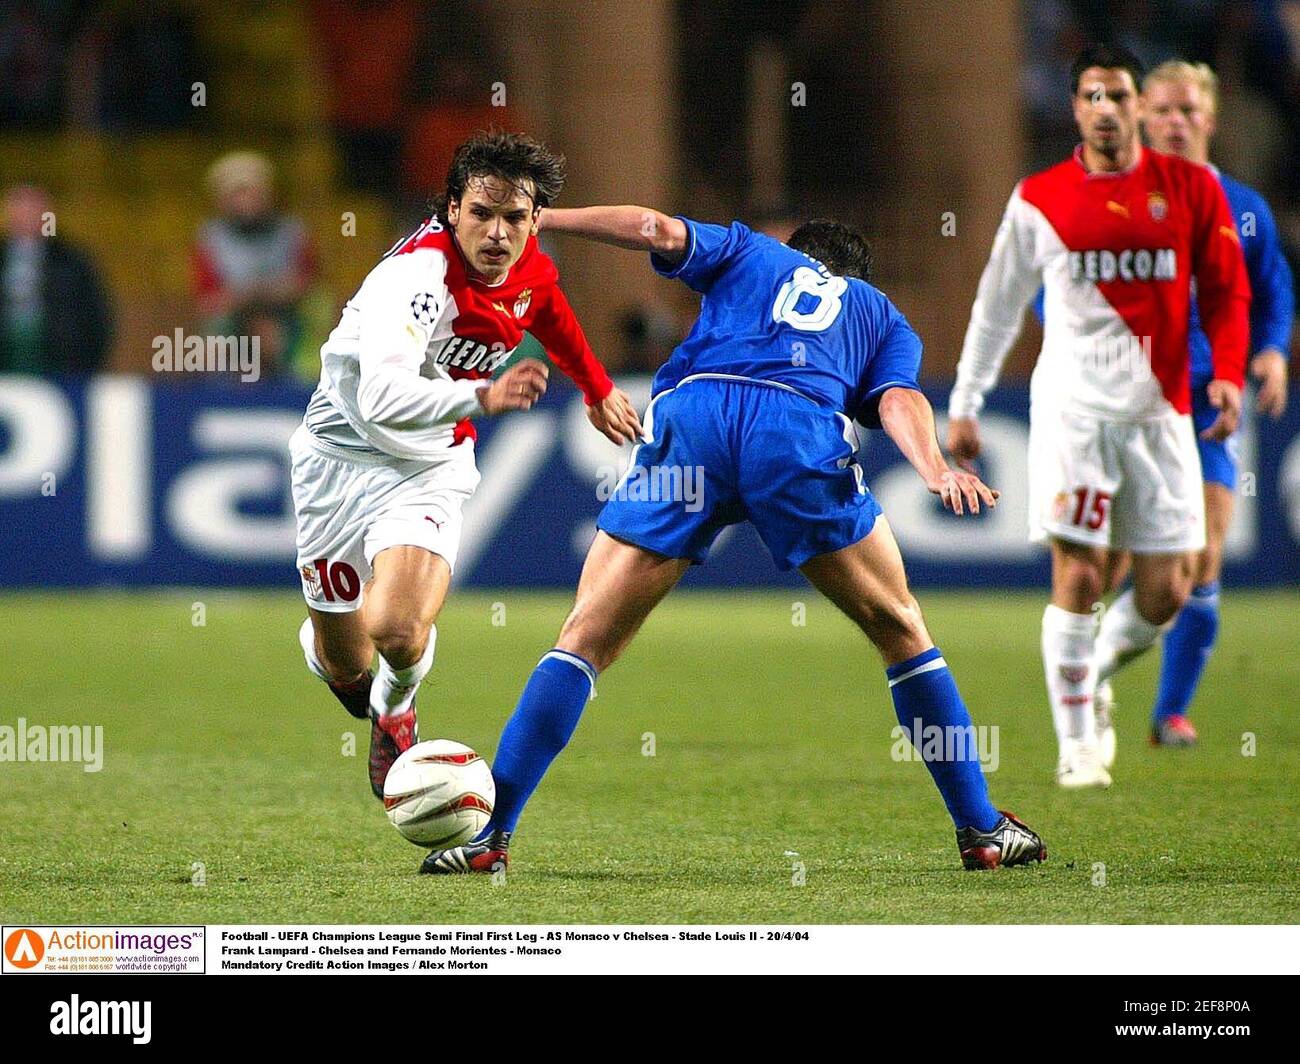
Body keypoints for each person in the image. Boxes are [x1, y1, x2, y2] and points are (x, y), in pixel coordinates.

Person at [421, 208, 1048, 876]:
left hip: (695, 422)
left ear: (795, 252)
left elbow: (655, 229)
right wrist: (935, 469)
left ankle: (491, 838)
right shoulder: (880, 313)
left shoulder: (751, 251)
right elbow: (897, 400)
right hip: (794, 431)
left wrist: (550, 218)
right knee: (900, 628)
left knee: (583, 638)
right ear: (856, 278)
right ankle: (981, 829)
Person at [291, 131, 642, 798]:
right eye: (482, 212)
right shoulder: (416, 277)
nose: (499, 233)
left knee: (396, 628)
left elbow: (548, 309)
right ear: (452, 209)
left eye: (515, 217)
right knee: (345, 662)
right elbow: (383, 397)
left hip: (429, 462)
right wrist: (484, 394)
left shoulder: (530, 265)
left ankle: (396, 714)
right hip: (338, 457)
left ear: (535, 220)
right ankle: (340, 663)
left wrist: (597, 388)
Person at [945, 45, 1250, 789]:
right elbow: (997, 305)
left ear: (1139, 106)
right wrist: (965, 401)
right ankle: (1078, 746)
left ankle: (1092, 671)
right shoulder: (1039, 199)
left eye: (1118, 95)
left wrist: (1232, 375)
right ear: (1075, 108)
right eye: (1092, 96)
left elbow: (1227, 290)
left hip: (1161, 414)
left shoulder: (1191, 188)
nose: (1106, 109)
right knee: (1079, 572)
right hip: (1073, 415)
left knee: (1168, 592)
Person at [1089, 61, 1294, 749]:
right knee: (1114, 558)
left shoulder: (1243, 210)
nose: (1176, 121)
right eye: (1164, 110)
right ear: (1144, 116)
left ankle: (1160, 708)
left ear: (1209, 118)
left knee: (1200, 561)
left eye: (1189, 110)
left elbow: (1271, 295)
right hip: (1126, 399)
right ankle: (1088, 671)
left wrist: (1270, 351)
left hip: (1209, 400)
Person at [193, 152, 319, 378]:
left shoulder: (292, 233)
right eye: (238, 194)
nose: (247, 201)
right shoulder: (211, 238)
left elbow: (307, 284)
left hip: (285, 315)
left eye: (253, 192)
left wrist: (269, 295)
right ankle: (219, 384)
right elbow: (208, 299)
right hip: (233, 320)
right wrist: (244, 300)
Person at [0, 184, 114, 374]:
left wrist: (84, 366)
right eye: (20, 207)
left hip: (59, 366)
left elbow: (97, 317)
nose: (26, 215)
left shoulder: (71, 260)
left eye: (33, 208)